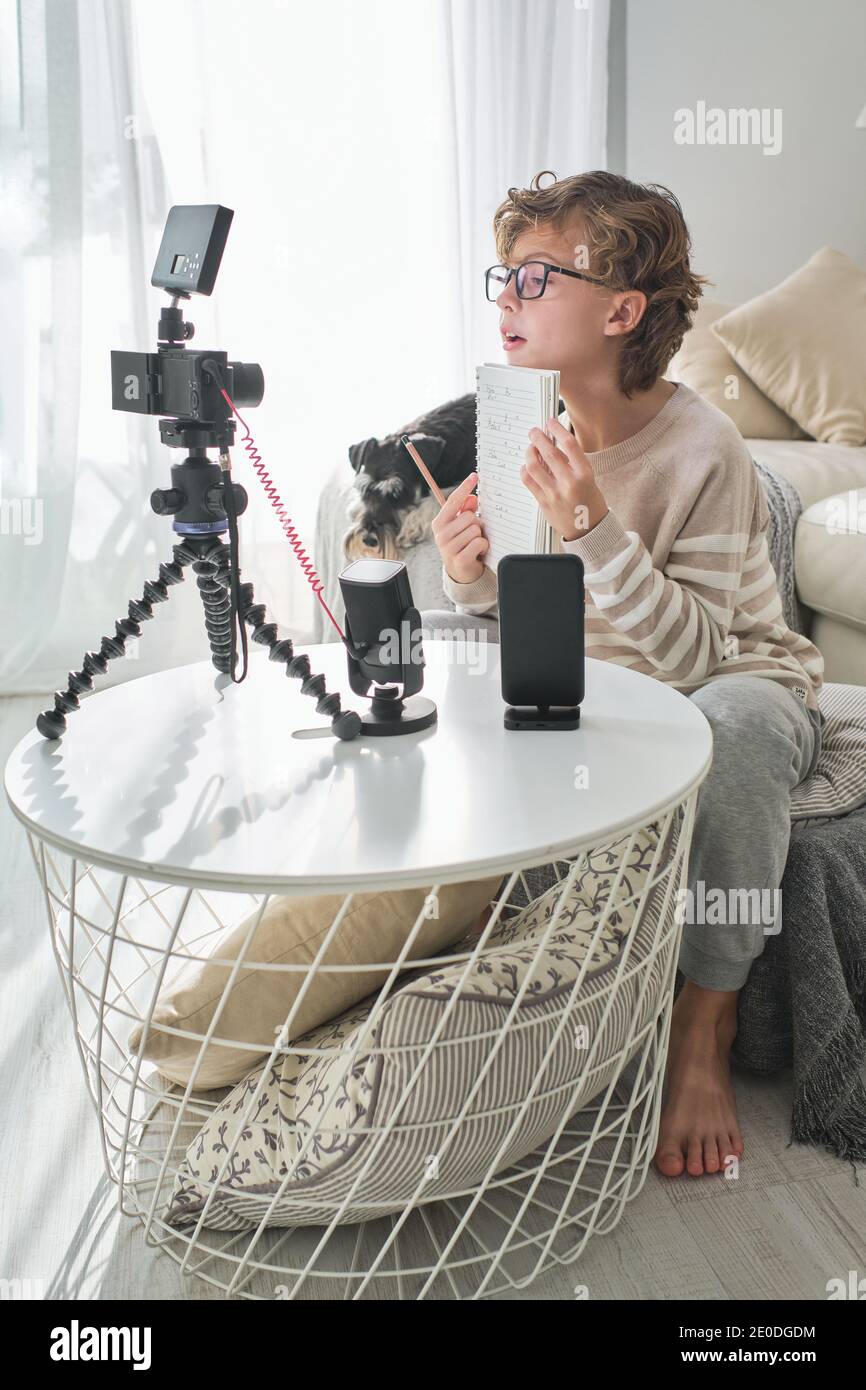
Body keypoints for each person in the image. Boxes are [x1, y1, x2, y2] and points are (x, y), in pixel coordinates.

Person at [431, 169, 824, 1179]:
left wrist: (591, 526)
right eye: (502, 276)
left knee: (733, 727)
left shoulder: (701, 445)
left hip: (725, 678)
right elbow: (521, 609)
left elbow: (694, 655)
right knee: (440, 677)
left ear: (619, 310)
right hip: (597, 684)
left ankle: (705, 1021)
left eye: (535, 277)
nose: (505, 298)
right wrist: (469, 570)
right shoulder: (519, 419)